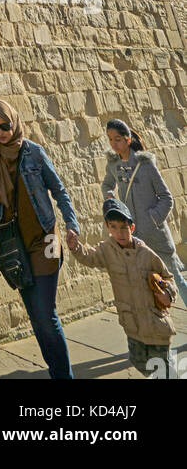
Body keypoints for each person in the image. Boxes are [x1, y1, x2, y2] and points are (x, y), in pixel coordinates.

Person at [0, 99, 80, 379]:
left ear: (14, 123)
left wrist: (71, 225)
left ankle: (63, 376)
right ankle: (57, 370)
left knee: (46, 314)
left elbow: (59, 190)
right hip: (14, 245)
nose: (0, 133)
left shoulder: (34, 152)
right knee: (35, 317)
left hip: (45, 239)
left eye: (4, 126)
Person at [66, 198, 177, 378]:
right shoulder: (106, 250)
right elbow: (90, 257)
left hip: (155, 324)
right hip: (132, 325)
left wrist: (168, 295)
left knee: (162, 372)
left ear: (131, 228)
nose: (119, 233)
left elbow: (168, 278)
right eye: (114, 227)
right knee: (139, 361)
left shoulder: (146, 254)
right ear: (108, 228)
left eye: (124, 227)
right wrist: (75, 247)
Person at [102, 118, 187, 309]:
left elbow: (166, 197)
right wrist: (109, 195)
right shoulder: (113, 165)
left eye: (117, 139)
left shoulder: (146, 165)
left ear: (128, 139)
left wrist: (152, 218)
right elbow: (107, 184)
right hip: (132, 237)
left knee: (174, 278)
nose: (113, 144)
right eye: (110, 139)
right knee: (145, 284)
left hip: (155, 235)